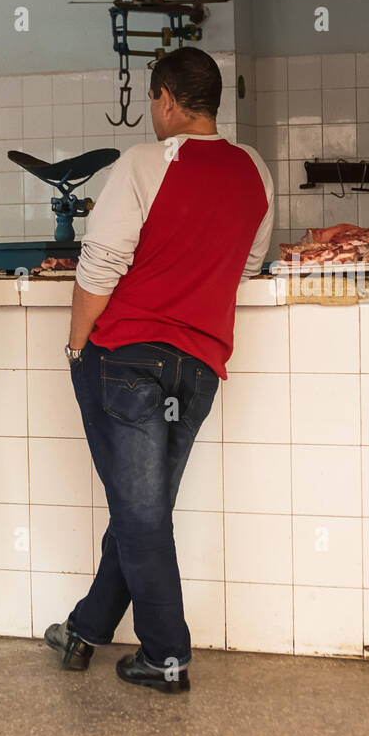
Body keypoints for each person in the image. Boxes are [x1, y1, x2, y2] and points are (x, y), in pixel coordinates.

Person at [45, 46, 273, 693]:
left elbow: (99, 263)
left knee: (140, 512)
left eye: (152, 101)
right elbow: (250, 263)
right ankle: (85, 629)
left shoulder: (143, 163)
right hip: (199, 370)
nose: (152, 113)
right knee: (140, 507)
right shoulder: (255, 170)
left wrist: (74, 345)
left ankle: (166, 654)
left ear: (167, 98)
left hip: (129, 362)